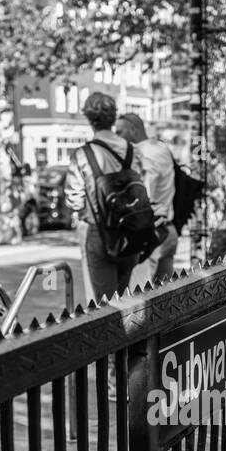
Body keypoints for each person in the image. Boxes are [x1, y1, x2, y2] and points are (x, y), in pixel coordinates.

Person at [65, 91, 137, 301]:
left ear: (89, 119)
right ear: (114, 117)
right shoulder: (132, 150)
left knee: (104, 305)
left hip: (99, 231)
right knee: (123, 298)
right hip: (131, 232)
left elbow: (74, 199)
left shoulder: (82, 154)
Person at [114, 112, 177, 290]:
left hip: (149, 235)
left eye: (120, 132)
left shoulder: (140, 153)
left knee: (140, 303)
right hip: (168, 231)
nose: (117, 137)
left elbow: (145, 192)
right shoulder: (161, 147)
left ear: (133, 131)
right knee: (165, 299)